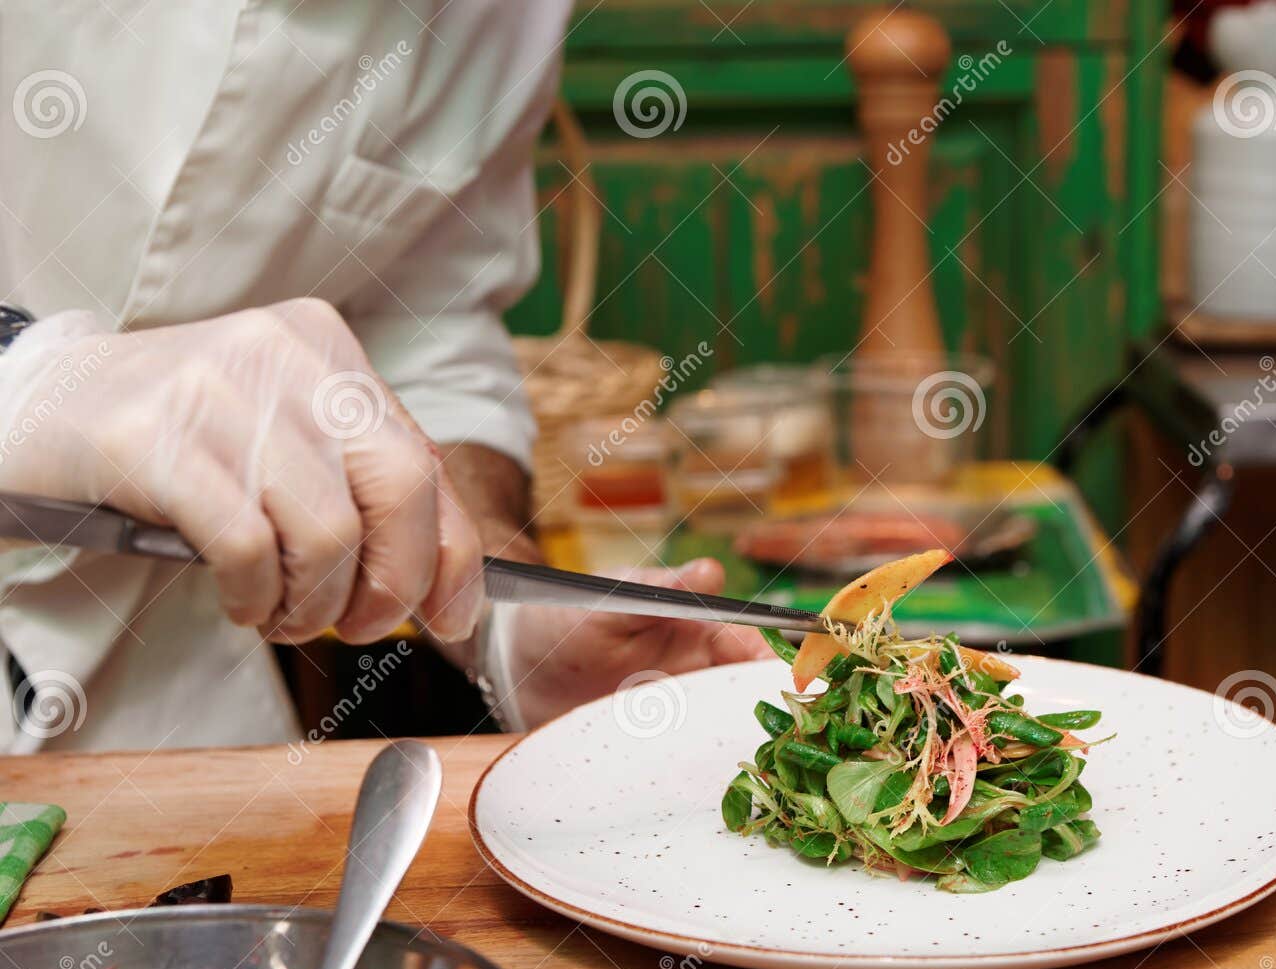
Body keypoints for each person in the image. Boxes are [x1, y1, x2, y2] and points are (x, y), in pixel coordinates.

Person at [0, 2, 762, 754]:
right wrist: (33, 378)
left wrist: (501, 617)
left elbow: (428, 327)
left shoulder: (508, 18)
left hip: (150, 710)